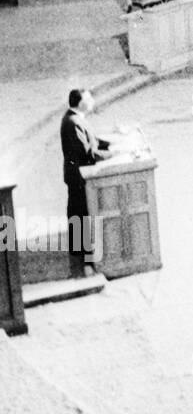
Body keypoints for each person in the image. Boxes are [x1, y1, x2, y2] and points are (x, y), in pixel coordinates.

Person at [60, 89, 112, 276]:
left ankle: (79, 256)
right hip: (79, 177)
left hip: (77, 175)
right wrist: (113, 154)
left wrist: (111, 143)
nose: (92, 101)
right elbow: (87, 154)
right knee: (83, 216)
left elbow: (93, 141)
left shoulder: (76, 117)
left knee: (77, 214)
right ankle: (85, 262)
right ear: (80, 102)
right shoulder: (73, 122)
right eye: (88, 98)